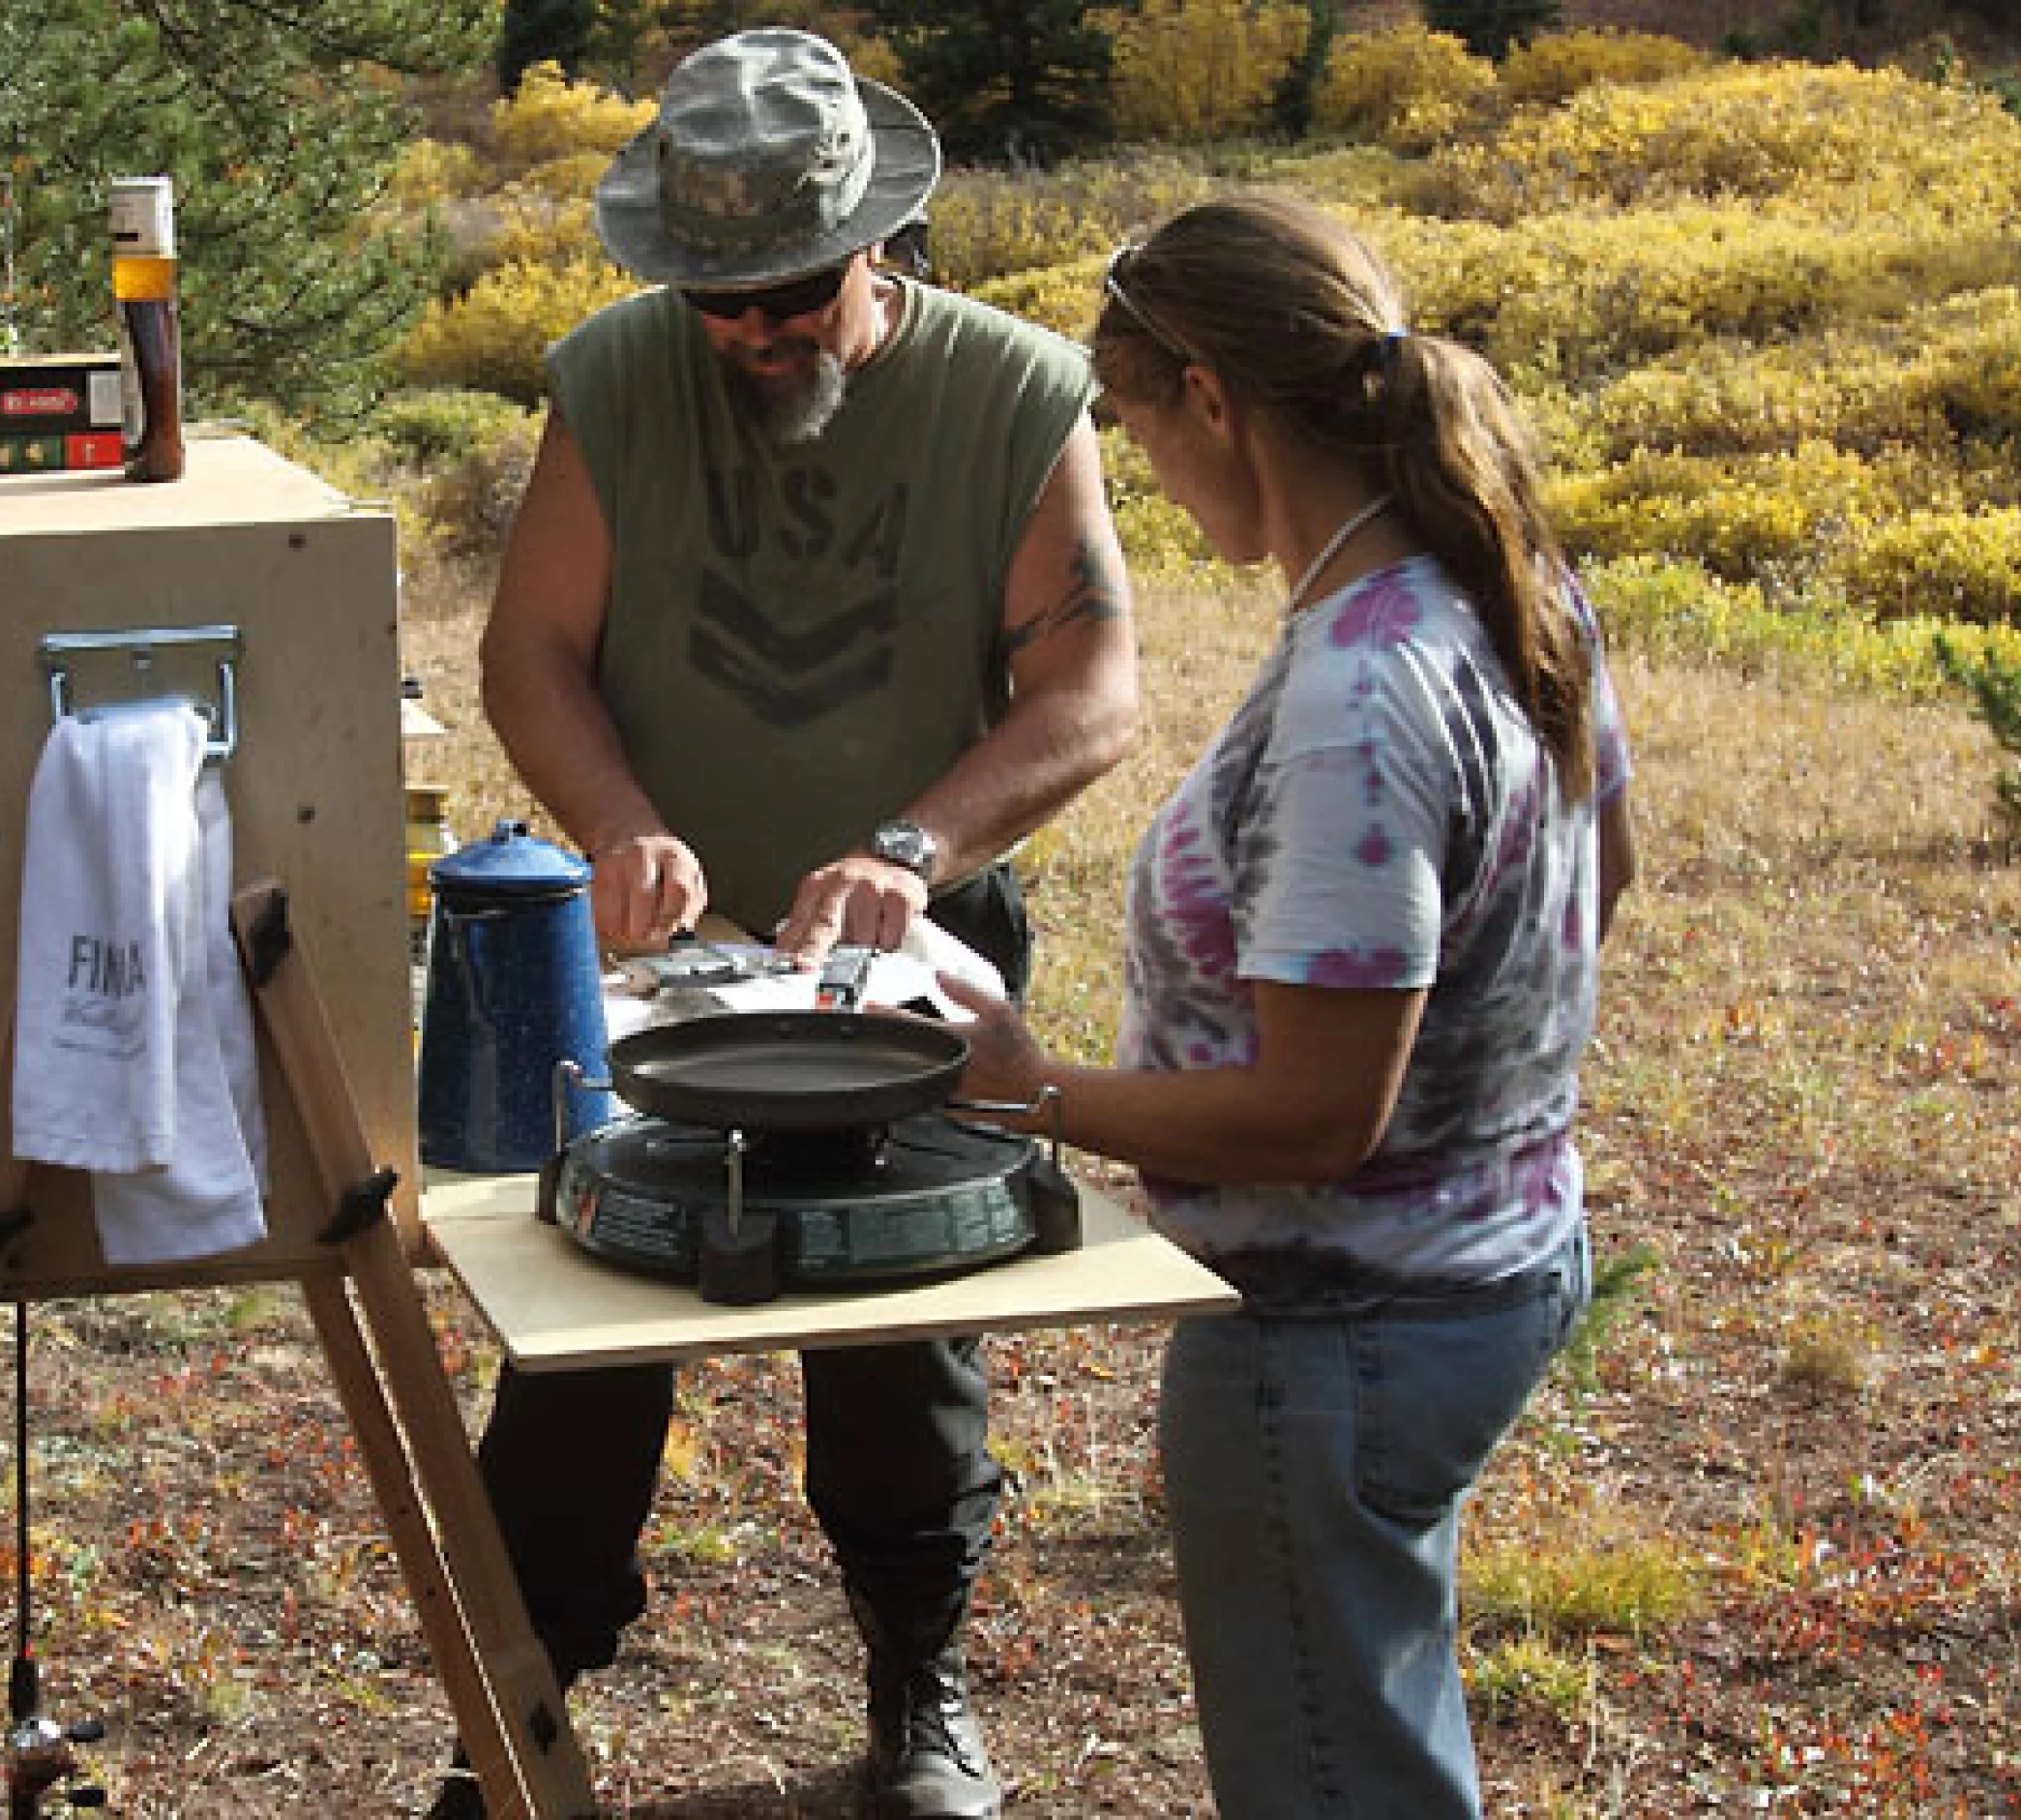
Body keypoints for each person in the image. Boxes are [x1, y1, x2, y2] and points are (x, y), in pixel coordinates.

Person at [434, 28, 1140, 1820]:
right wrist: (620, 824)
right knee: (585, 1329)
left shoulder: (1015, 392)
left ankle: (926, 1701)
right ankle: (517, 1737)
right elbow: (533, 647)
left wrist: (913, 845)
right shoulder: (609, 378)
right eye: (712, 300)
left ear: (875, 248)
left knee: (907, 1328)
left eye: (790, 297)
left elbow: (1090, 686)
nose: (748, 334)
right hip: (660, 955)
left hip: (913, 955)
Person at [930, 193, 1640, 1818]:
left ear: (1213, 404)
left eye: (1133, 425)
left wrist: (1027, 1088)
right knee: (1380, 1739)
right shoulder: (1507, 584)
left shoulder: (1357, 697)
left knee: (1334, 1780)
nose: (1151, 480)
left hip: (1342, 1334)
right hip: (1489, 1269)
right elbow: (1598, 884)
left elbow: (1319, 1115)